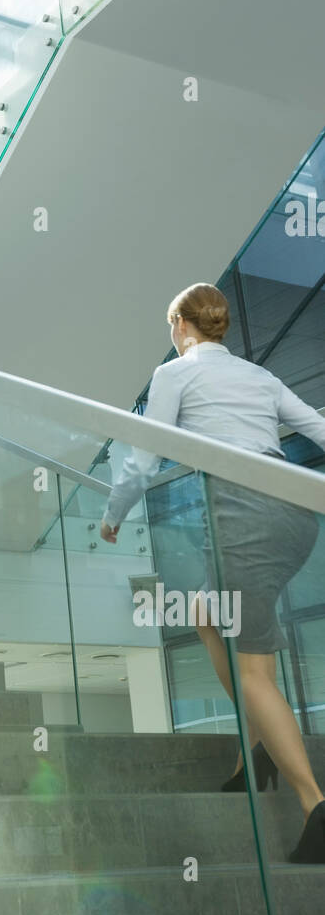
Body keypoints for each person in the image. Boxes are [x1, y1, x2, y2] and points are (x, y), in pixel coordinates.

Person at [101, 282, 325, 864]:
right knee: (206, 613)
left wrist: (113, 514)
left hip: (242, 517)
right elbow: (318, 428)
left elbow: (143, 458)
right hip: (296, 515)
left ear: (180, 325)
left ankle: (314, 804)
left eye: (171, 327)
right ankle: (258, 747)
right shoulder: (259, 376)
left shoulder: (174, 374)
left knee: (253, 672)